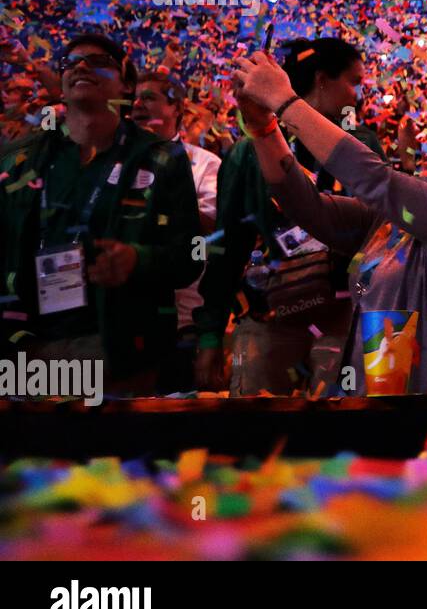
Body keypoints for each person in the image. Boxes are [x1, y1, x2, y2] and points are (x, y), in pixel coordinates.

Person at [231, 57, 427, 394]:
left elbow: (375, 178)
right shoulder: (397, 223)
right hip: (375, 412)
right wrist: (264, 129)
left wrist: (285, 102)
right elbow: (309, 208)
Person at [0, 33, 202, 394]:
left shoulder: (161, 158)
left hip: (119, 348)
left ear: (126, 83)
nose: (79, 66)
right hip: (27, 347)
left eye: (97, 62)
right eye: (70, 62)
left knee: (107, 449)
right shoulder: (20, 159)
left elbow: (189, 258)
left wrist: (136, 259)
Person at [192, 38, 383, 394]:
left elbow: (377, 236)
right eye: (353, 82)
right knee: (262, 433)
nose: (357, 95)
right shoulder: (249, 152)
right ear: (322, 79)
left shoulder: (361, 145)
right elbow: (228, 245)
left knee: (339, 434)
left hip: (341, 318)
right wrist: (210, 334)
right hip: (269, 322)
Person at [131, 71, 220, 391]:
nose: (138, 104)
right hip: (124, 319)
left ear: (177, 110)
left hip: (185, 320)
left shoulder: (205, 164)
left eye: (150, 97)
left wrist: (167, 202)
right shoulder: (119, 162)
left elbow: (212, 224)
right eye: (135, 98)